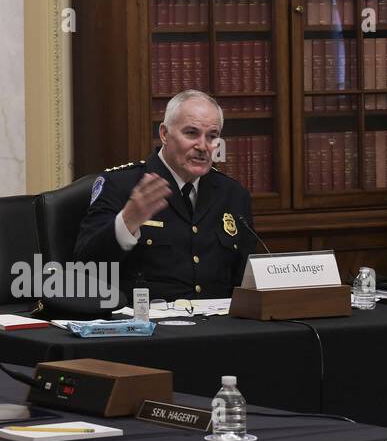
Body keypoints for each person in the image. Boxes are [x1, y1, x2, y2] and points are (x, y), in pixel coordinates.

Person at [74, 89, 255, 302]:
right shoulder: (121, 185)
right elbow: (85, 265)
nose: (203, 146)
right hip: (147, 326)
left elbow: (246, 277)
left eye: (212, 136)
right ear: (164, 134)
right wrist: (127, 221)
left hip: (219, 326)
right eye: (191, 133)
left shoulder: (233, 194)